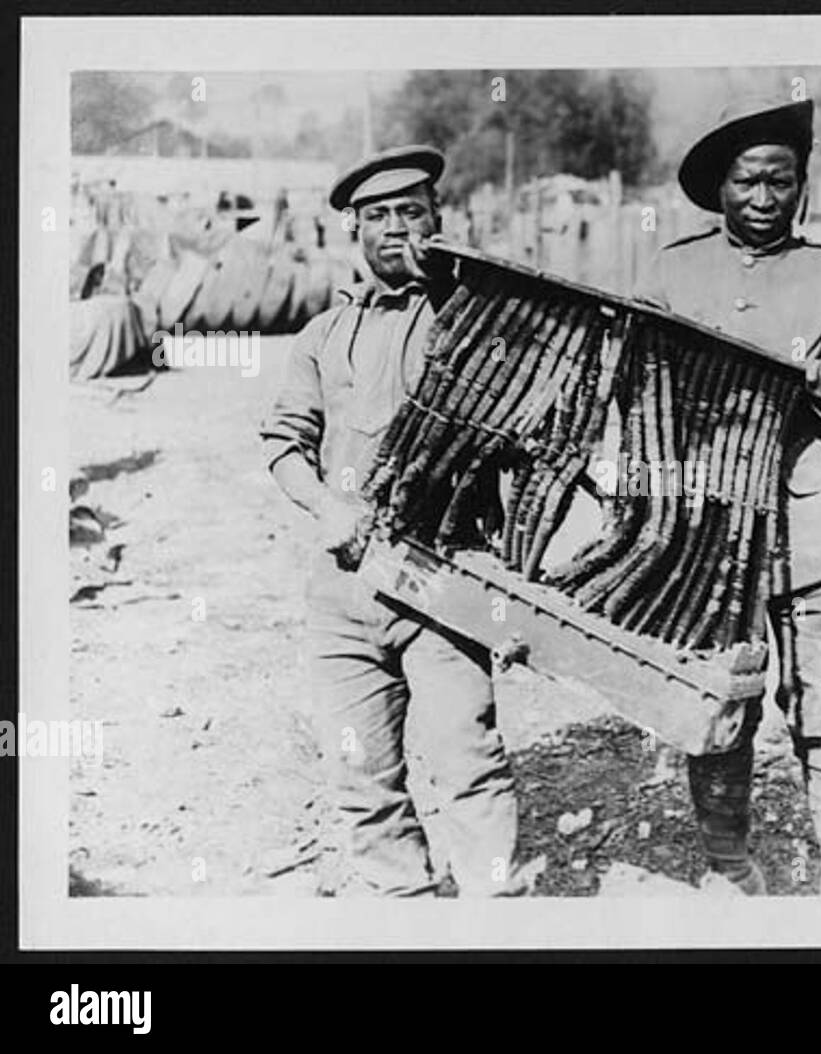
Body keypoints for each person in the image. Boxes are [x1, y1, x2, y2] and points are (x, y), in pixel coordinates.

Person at [634, 97, 821, 896]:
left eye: (781, 181)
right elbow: (633, 384)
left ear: (801, 187)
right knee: (716, 703)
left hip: (814, 527)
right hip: (705, 534)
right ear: (719, 187)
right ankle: (731, 872)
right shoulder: (671, 271)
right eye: (748, 181)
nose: (763, 198)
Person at [260, 145, 529, 897]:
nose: (396, 229)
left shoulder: (475, 322)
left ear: (438, 218)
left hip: (442, 583)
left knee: (467, 762)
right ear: (354, 229)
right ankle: (402, 911)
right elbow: (283, 441)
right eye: (376, 216)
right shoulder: (323, 334)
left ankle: (499, 922)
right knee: (360, 775)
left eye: (412, 211)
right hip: (343, 590)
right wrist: (326, 505)